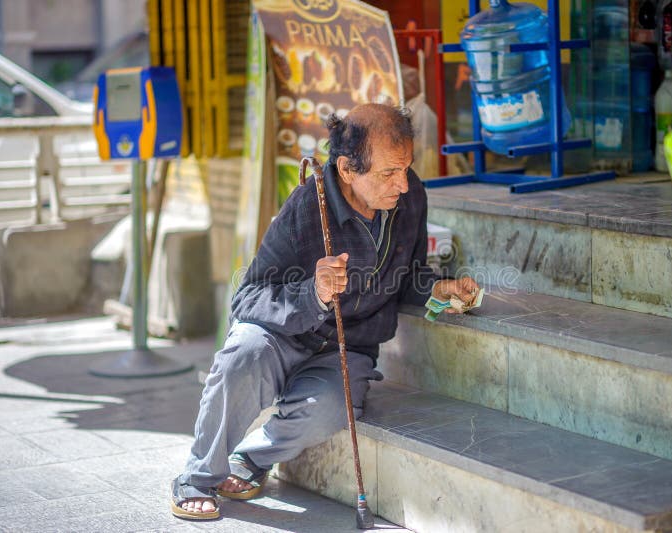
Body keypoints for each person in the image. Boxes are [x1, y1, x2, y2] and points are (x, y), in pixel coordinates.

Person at [171, 103, 479, 520]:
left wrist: (437, 288)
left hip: (347, 344)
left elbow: (406, 275)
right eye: (389, 173)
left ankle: (252, 459)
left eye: (406, 168)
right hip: (279, 336)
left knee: (330, 409)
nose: (403, 185)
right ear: (348, 170)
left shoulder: (411, 197)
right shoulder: (306, 207)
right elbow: (248, 299)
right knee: (241, 356)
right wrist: (313, 292)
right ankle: (198, 476)